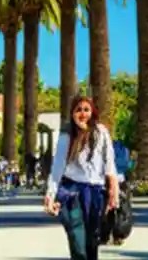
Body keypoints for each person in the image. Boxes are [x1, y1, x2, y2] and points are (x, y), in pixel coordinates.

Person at [43, 96, 120, 260]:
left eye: (86, 110)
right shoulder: (67, 136)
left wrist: (114, 193)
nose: (83, 114)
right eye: (78, 110)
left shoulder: (101, 132)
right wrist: (50, 195)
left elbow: (110, 165)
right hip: (73, 193)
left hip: (95, 193)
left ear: (92, 112)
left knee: (92, 243)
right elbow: (57, 168)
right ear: (72, 114)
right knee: (78, 242)